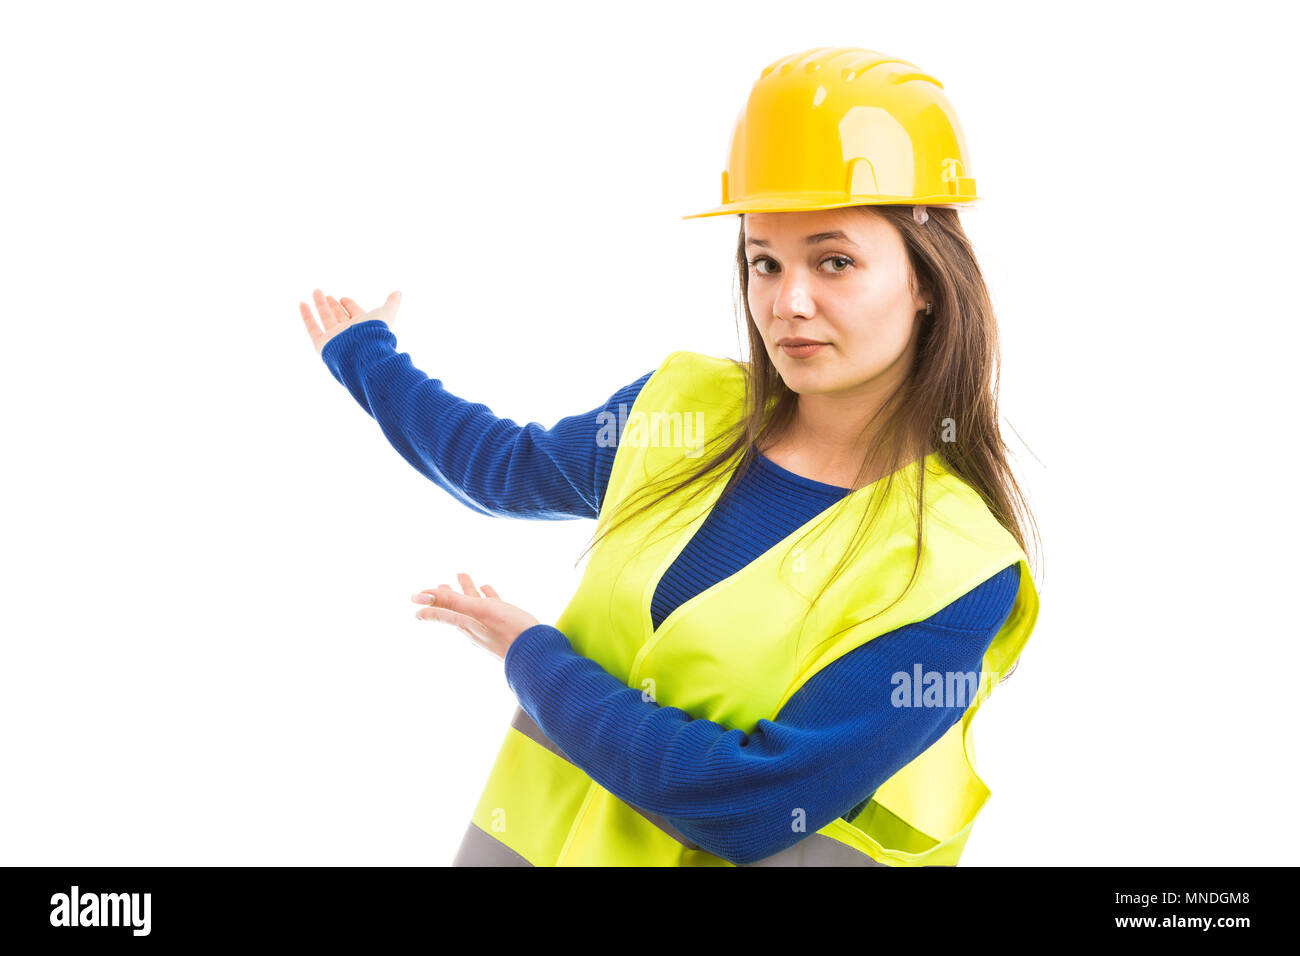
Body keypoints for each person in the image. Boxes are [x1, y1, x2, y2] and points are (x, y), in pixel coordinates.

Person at [298, 45, 1040, 867]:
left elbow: (750, 803)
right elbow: (504, 467)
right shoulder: (682, 411)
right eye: (764, 262)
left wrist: (529, 655)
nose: (787, 303)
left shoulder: (959, 569)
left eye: (835, 261)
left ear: (929, 278)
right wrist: (365, 355)